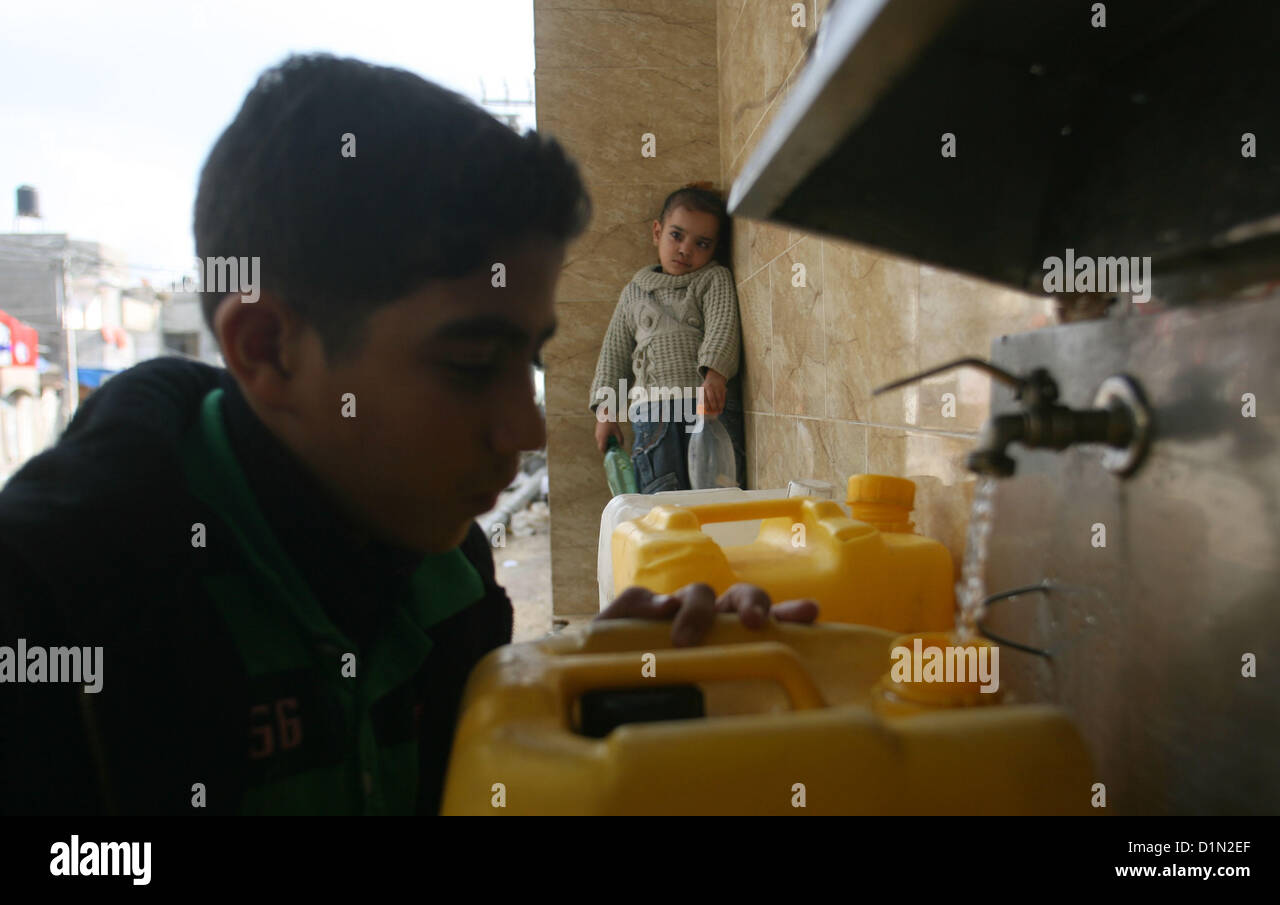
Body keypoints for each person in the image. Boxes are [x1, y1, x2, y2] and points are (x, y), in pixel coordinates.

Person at [0, 54, 814, 816]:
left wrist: (567, 692)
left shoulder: (447, 572)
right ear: (266, 347)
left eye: (526, 360)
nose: (526, 425)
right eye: (468, 364)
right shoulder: (48, 608)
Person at [589, 185, 746, 491]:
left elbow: (722, 326)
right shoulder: (634, 291)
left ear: (715, 248)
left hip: (708, 409)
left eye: (702, 243)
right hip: (652, 415)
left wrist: (716, 375)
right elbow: (614, 355)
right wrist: (606, 412)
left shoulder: (713, 279)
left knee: (720, 496)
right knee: (662, 503)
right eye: (677, 235)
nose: (686, 249)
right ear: (657, 232)